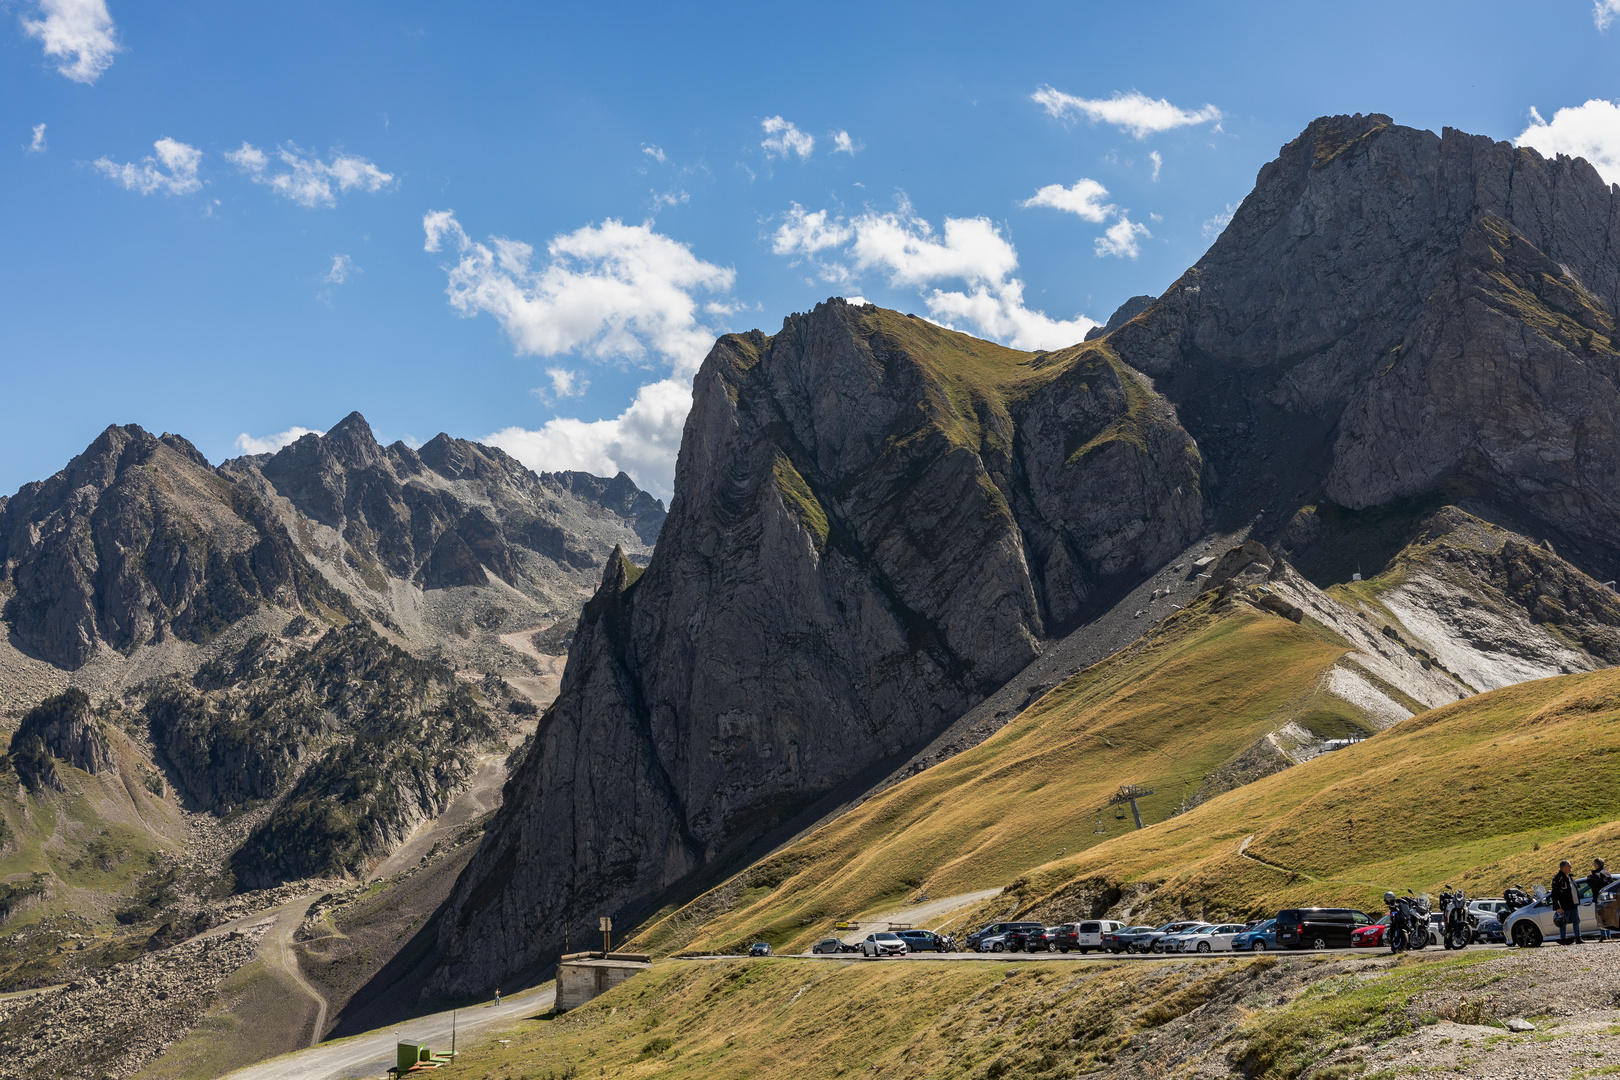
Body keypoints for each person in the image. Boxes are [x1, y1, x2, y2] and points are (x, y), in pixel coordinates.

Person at [1551, 859, 1582, 945]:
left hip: (1574, 903)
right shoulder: (1558, 878)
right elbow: (1554, 894)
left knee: (1576, 921)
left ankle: (1578, 938)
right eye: (1569, 866)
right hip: (1564, 906)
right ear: (1563, 868)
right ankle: (1563, 939)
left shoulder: (1570, 877)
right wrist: (1557, 907)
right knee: (1563, 922)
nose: (1570, 867)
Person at [1592, 858, 1615, 942]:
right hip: (1608, 899)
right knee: (1607, 917)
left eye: (1594, 864)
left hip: (1600, 899)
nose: (1594, 866)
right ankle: (1608, 935)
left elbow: (1593, 885)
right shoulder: (1607, 873)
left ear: (1597, 865)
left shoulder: (1597, 874)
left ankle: (1603, 935)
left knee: (1600, 917)